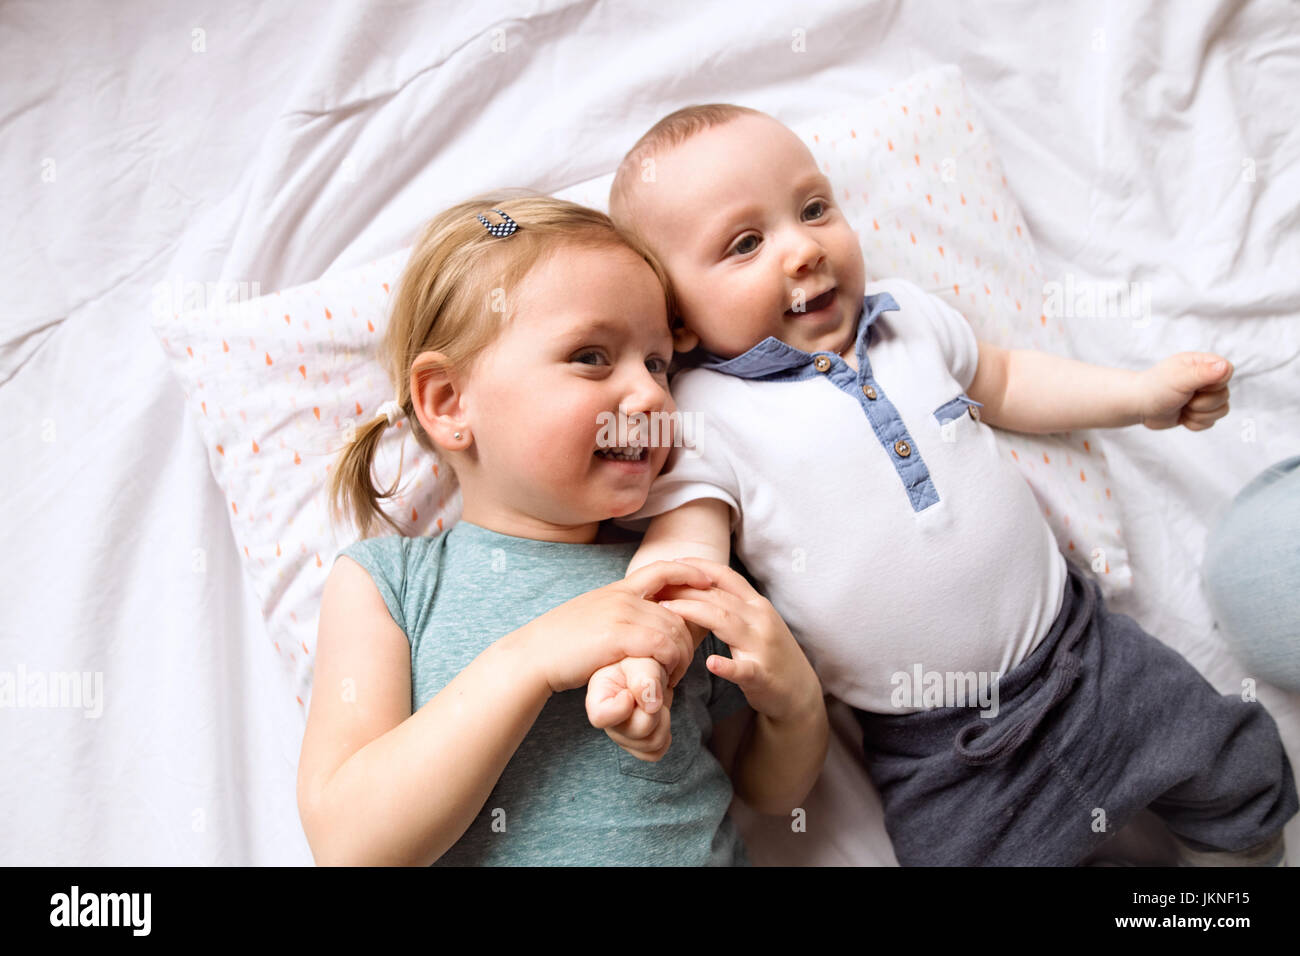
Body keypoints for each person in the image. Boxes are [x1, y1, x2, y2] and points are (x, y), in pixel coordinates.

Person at [587, 104, 1297, 866]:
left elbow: (1012, 378)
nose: (803, 249)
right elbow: (684, 557)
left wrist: (1141, 395)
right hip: (940, 748)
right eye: (747, 243)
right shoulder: (705, 416)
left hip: (1087, 655)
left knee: (1236, 768)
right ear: (680, 324)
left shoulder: (905, 320)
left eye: (815, 208)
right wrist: (643, 656)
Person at [295, 193, 828, 866]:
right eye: (592, 357)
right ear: (449, 402)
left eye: (658, 363)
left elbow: (760, 791)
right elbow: (350, 845)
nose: (650, 395)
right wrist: (533, 659)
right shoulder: (387, 586)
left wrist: (796, 707)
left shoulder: (679, 572)